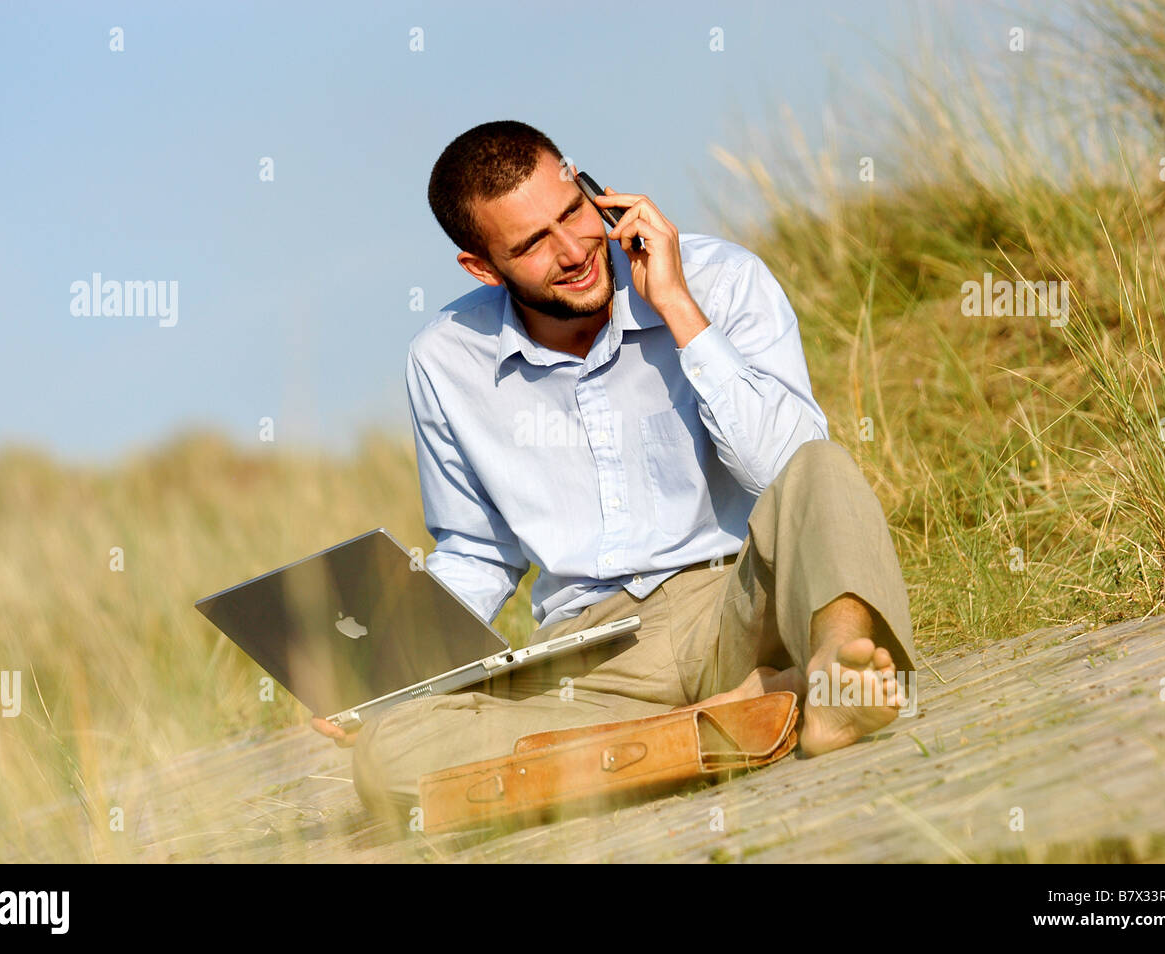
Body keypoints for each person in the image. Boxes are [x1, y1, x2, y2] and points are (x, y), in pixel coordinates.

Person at [313, 120, 920, 823]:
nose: (573, 251)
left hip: (737, 607)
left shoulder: (722, 279)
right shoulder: (444, 360)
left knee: (824, 464)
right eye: (531, 244)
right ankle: (743, 713)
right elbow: (478, 549)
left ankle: (827, 680)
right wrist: (385, 670)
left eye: (572, 212)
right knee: (389, 750)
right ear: (482, 268)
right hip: (591, 665)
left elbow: (788, 468)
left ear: (592, 189)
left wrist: (680, 310)